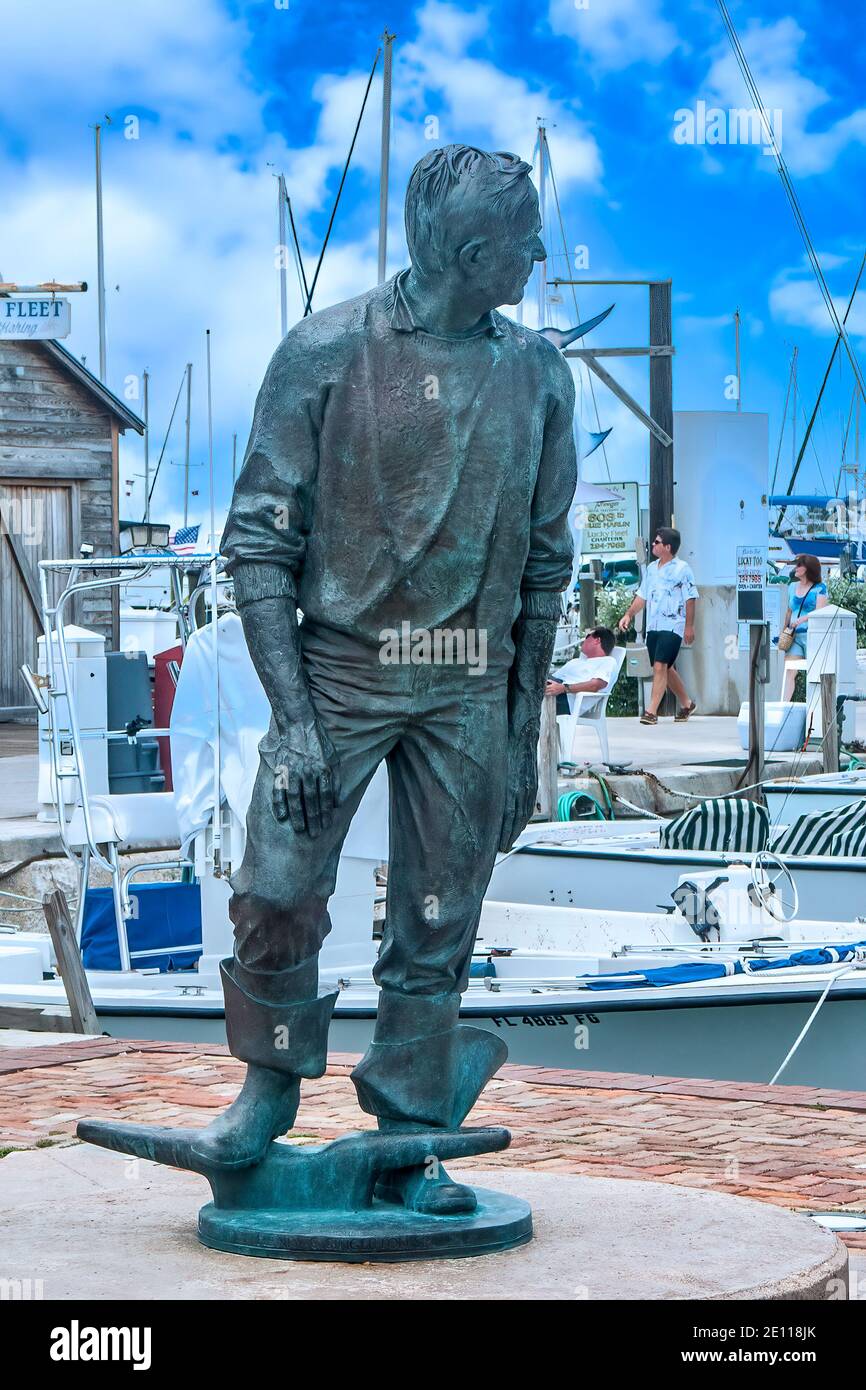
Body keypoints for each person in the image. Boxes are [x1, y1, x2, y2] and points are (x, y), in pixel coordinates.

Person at [194, 145, 576, 1216]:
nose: (538, 253)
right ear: (466, 252)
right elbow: (258, 546)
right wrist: (295, 724)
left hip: (466, 685)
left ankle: (412, 1132)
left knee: (438, 914)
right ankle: (268, 1085)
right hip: (339, 675)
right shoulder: (323, 352)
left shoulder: (538, 374)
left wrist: (518, 737)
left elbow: (547, 569)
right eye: (521, 241)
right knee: (274, 888)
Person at [617, 527, 699, 725]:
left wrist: (689, 626)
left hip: (673, 626)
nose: (653, 545)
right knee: (664, 666)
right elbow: (642, 595)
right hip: (654, 625)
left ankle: (651, 711)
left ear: (667, 547)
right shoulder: (652, 569)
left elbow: (690, 598)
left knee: (661, 665)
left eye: (657, 542)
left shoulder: (683, 569)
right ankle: (687, 704)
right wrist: (628, 614)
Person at [779, 554, 828, 701]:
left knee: (814, 672)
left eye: (799, 565)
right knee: (790, 671)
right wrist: (783, 631)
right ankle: (784, 705)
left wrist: (802, 620)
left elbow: (819, 611)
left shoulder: (820, 588)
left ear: (808, 569)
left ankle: (814, 705)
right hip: (794, 636)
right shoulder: (792, 587)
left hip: (811, 635)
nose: (796, 568)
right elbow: (789, 611)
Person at [545, 627, 618, 716]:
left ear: (597, 640)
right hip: (553, 690)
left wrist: (563, 688)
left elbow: (595, 685)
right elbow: (552, 678)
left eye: (587, 636)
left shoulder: (608, 661)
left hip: (566, 699)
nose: (583, 640)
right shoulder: (576, 661)